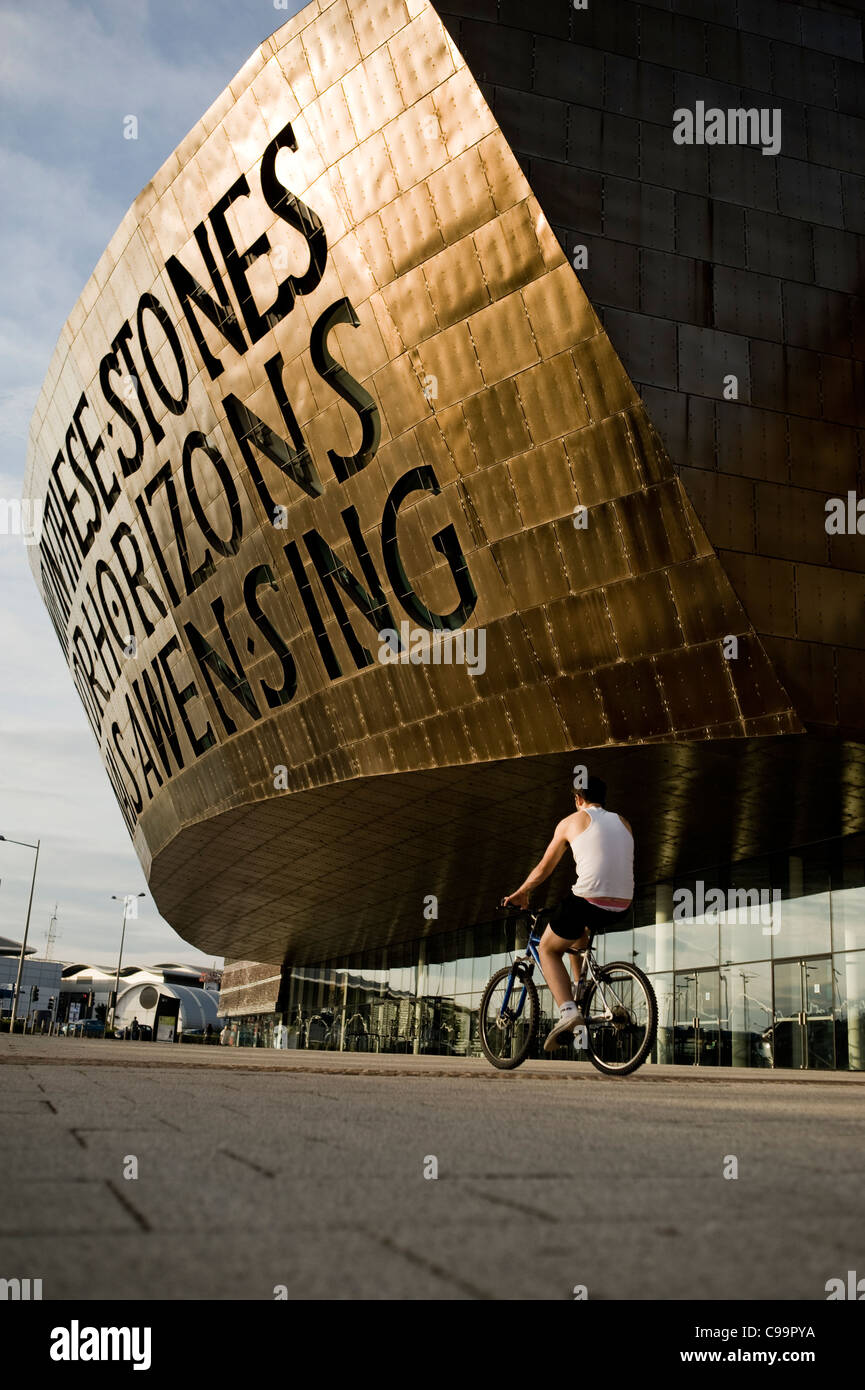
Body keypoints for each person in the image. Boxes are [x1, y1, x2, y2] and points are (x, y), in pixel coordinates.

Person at [503, 775, 633, 1051]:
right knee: (576, 930)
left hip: (589, 899)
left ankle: (568, 1013)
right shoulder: (623, 822)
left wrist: (522, 892)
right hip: (622, 904)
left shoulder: (570, 822)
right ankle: (579, 987)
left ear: (578, 799)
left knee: (549, 948)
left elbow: (544, 868)